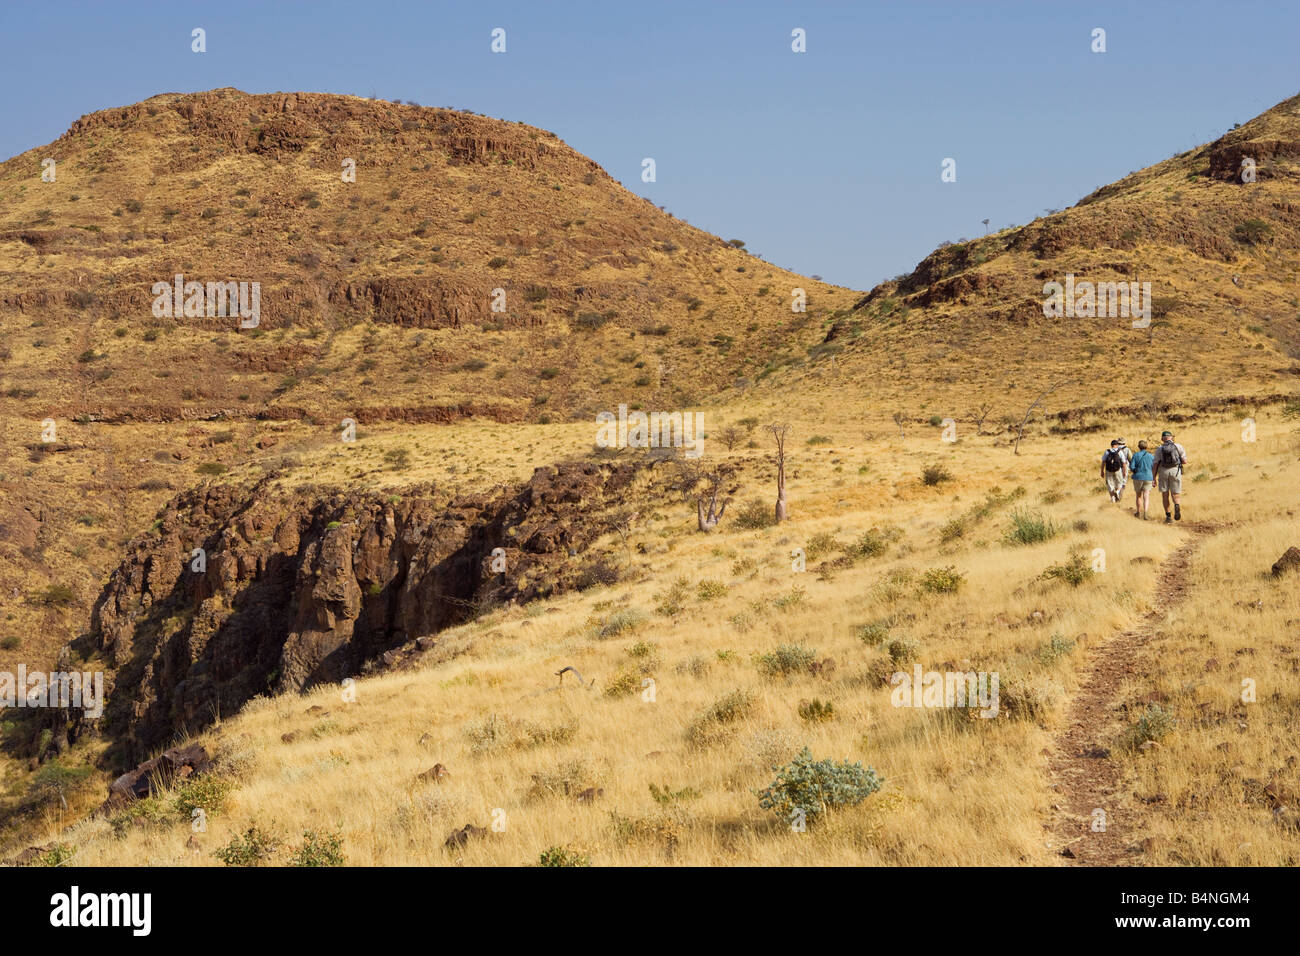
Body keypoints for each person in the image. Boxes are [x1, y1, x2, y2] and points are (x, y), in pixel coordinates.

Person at [1152, 430, 1188, 523]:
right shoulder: (1178, 446)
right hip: (1175, 471)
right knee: (1175, 493)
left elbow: (1155, 464)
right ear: (1171, 437)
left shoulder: (1159, 449)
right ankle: (1176, 505)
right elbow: (1184, 461)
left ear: (1162, 439)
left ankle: (1168, 516)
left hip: (1163, 471)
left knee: (1165, 494)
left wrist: (1154, 478)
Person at [1127, 439, 1155, 520]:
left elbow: (1131, 467)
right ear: (1147, 447)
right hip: (1149, 477)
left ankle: (1138, 512)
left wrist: (1135, 470)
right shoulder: (1151, 456)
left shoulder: (1135, 455)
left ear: (1139, 447)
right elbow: (1154, 467)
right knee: (1146, 496)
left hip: (1138, 477)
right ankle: (1145, 513)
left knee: (1138, 495)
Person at [1100, 439, 1128, 504]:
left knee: (1110, 484)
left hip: (1108, 470)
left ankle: (1112, 498)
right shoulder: (1119, 452)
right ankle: (1117, 492)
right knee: (1120, 482)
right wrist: (1124, 472)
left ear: (1111, 445)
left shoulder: (1107, 452)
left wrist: (1102, 471)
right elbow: (1124, 463)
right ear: (1117, 445)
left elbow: (1103, 462)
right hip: (1118, 470)